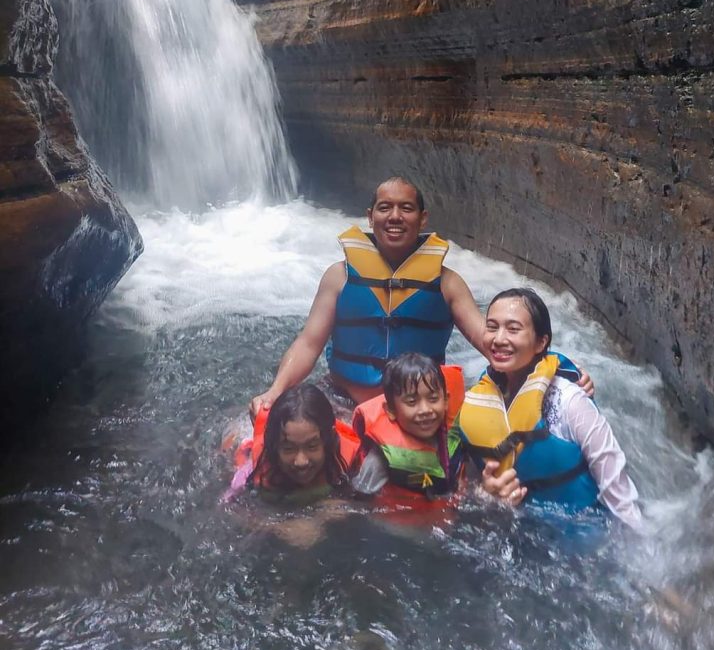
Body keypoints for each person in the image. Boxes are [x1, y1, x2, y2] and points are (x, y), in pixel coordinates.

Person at [249, 176, 594, 417]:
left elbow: (491, 341)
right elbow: (308, 343)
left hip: (420, 410)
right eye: (385, 208)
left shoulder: (447, 283)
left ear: (422, 218)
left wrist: (555, 367)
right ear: (370, 216)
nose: (394, 217)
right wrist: (275, 391)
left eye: (406, 208)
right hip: (343, 402)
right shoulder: (338, 277)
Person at [459, 288, 642, 528]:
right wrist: (486, 496)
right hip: (515, 531)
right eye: (492, 327)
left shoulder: (570, 401)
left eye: (513, 329)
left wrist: (636, 539)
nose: (499, 338)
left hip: (582, 534)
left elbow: (620, 496)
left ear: (541, 342)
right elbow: (466, 485)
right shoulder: (479, 399)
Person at [351, 353, 465, 504]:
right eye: (412, 402)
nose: (425, 410)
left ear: (445, 401)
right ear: (391, 410)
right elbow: (360, 504)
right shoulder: (380, 459)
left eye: (433, 399)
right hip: (401, 517)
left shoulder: (460, 435)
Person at [228, 384, 358, 504]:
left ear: (328, 441)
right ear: (275, 447)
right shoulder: (250, 474)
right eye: (289, 449)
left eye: (312, 447)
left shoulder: (354, 460)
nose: (301, 462)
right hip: (245, 434)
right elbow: (235, 511)